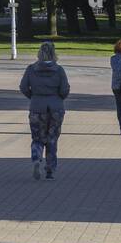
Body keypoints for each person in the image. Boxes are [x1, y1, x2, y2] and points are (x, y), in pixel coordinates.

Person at [20, 41, 69, 180]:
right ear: (54, 53)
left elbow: (23, 87)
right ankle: (50, 169)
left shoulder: (31, 69)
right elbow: (65, 89)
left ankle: (36, 158)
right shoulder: (59, 70)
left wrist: (33, 96)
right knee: (52, 138)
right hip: (55, 108)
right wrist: (59, 98)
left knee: (37, 137)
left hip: (37, 106)